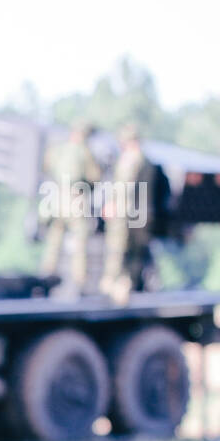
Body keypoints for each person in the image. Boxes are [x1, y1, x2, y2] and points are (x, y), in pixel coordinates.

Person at [39, 120, 101, 295]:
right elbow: (94, 176)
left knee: (55, 237)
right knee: (80, 238)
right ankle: (79, 278)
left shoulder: (58, 149)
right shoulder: (83, 151)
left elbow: (47, 167)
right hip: (75, 197)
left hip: (58, 196)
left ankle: (47, 272)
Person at [100, 123, 153, 304]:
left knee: (117, 250)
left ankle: (111, 287)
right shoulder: (146, 161)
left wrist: (113, 205)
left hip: (125, 213)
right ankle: (128, 286)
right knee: (135, 254)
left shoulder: (129, 159)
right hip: (141, 214)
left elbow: (125, 186)